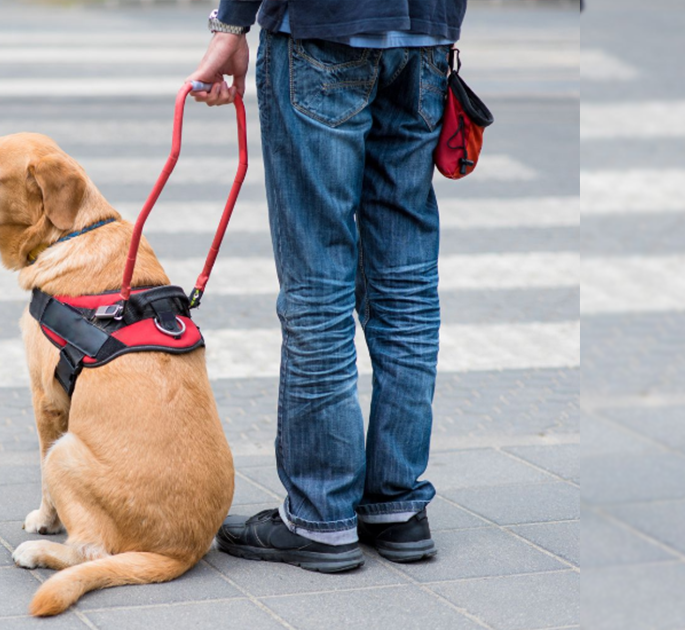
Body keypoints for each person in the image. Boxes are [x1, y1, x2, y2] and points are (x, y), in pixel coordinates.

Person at [186, 0, 466, 572]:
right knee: (406, 285)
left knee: (318, 284)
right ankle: (396, 506)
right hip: (425, 35)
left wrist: (231, 23)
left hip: (324, 28)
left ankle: (321, 515)